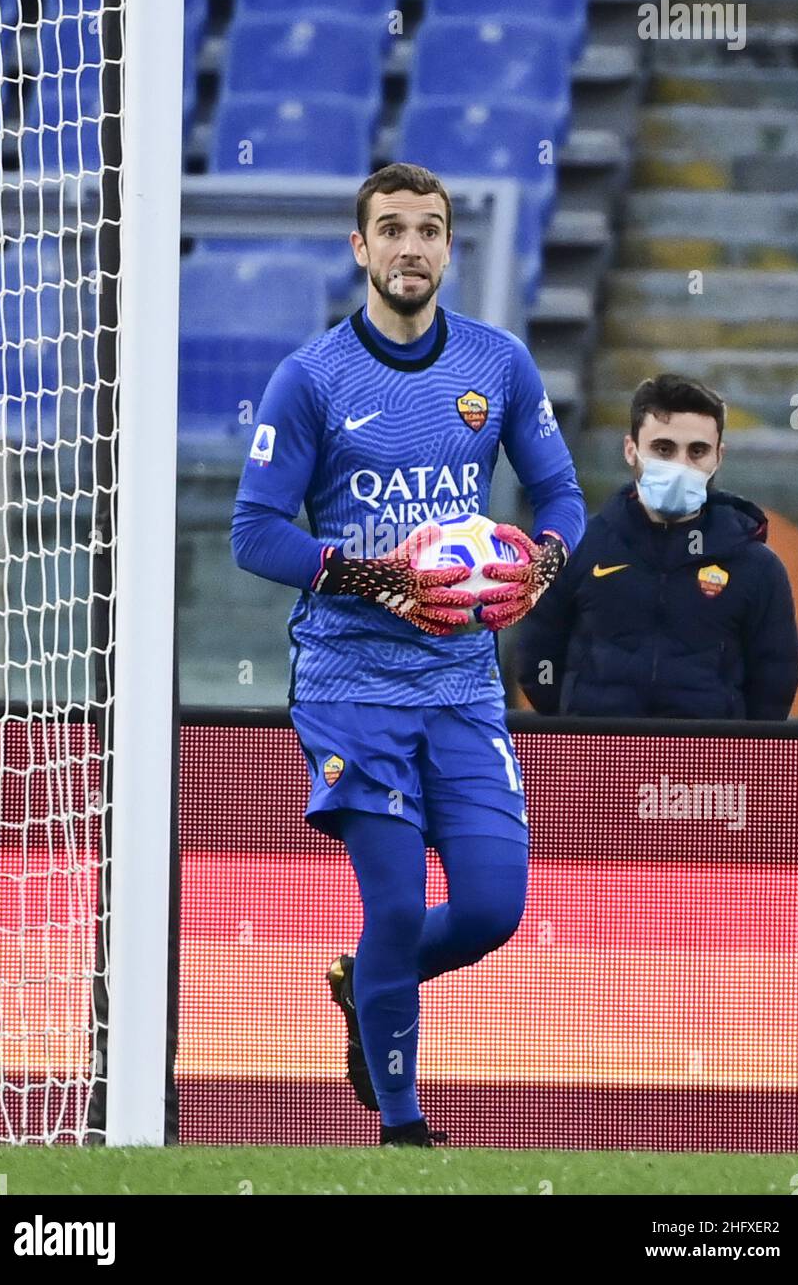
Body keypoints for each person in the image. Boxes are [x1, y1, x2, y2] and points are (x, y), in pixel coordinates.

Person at [231, 162, 586, 1146]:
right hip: (351, 684)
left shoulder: (497, 364)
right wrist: (370, 578)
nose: (409, 246)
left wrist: (544, 562)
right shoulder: (310, 379)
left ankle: (364, 986)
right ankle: (402, 1130)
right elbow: (255, 532)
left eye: (427, 229)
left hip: (461, 686)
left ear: (447, 247)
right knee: (393, 907)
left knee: (487, 909)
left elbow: (560, 494)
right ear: (360, 248)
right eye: (389, 229)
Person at [517, 374, 798, 719]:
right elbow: (537, 659)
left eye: (697, 451)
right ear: (630, 449)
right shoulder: (576, 547)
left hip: (707, 766)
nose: (681, 466)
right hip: (598, 759)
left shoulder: (756, 566)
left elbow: (774, 683)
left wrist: (730, 748)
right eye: (663, 449)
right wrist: (578, 719)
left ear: (718, 458)